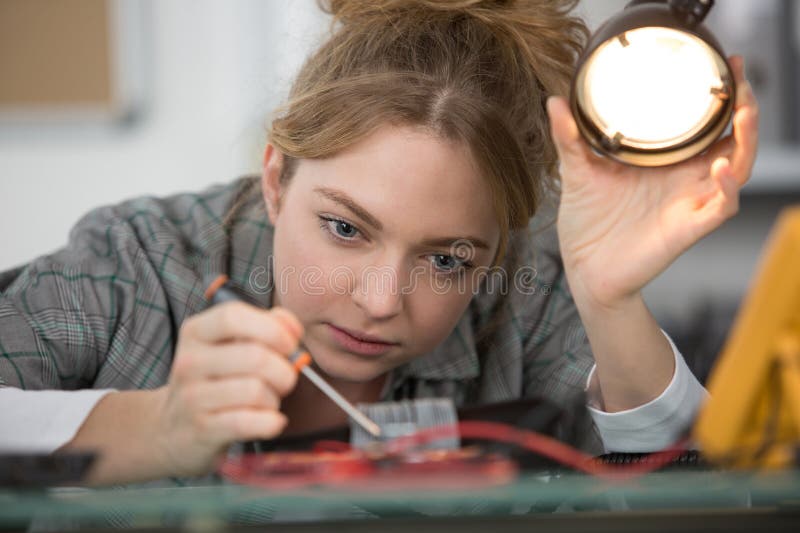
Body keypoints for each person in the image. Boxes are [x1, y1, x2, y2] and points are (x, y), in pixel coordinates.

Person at [0, 0, 758, 486]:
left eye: (447, 259)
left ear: (499, 249)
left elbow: (695, 503)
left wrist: (611, 302)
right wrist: (158, 429)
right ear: (276, 179)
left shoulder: (531, 302)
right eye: (344, 228)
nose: (381, 301)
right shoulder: (136, 263)